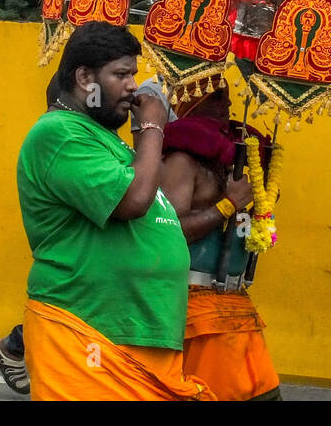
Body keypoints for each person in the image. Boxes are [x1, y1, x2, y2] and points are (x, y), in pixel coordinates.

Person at [17, 21, 211, 400]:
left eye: (133, 74)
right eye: (120, 74)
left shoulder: (108, 142)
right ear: (85, 77)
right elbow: (134, 202)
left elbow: (156, 206)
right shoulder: (59, 134)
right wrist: (152, 125)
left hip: (138, 334)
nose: (132, 87)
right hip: (86, 333)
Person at [159, 84, 281, 400]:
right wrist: (228, 203)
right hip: (198, 310)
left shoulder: (235, 156)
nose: (228, 101)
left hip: (238, 304)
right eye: (216, 95)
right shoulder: (181, 161)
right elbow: (167, 233)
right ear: (192, 100)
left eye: (225, 94)